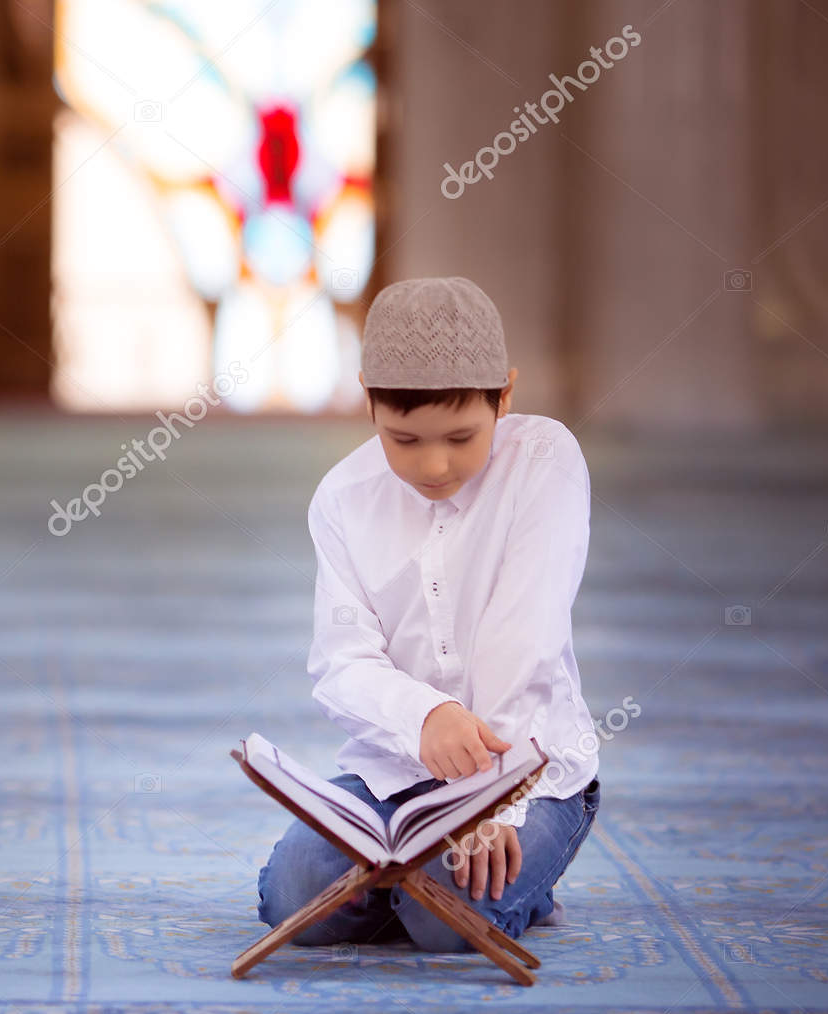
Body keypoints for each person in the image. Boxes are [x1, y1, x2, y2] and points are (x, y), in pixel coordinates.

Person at [256, 276, 602, 952]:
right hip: (393, 775)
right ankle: (415, 877)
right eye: (405, 439)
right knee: (291, 895)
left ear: (505, 394)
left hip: (529, 774)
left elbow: (522, 640)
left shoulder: (545, 462)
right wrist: (424, 716)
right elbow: (342, 660)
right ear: (369, 402)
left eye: (462, 435)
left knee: (442, 910)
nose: (435, 463)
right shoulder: (343, 498)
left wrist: (491, 803)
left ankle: (467, 883)